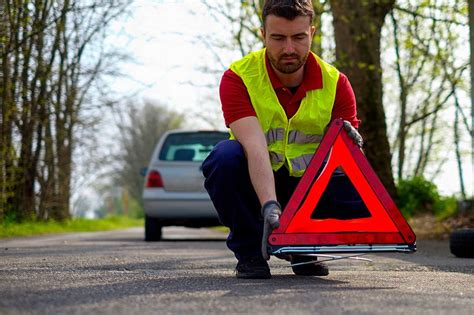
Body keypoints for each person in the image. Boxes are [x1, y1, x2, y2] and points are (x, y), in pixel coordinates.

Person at [201, 0, 364, 279]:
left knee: (359, 197)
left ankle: (302, 247)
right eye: (278, 38)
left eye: (299, 37)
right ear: (263, 34)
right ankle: (251, 252)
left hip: (307, 188)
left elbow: (339, 165)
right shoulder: (238, 77)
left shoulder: (337, 84)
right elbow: (254, 147)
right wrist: (270, 208)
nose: (289, 49)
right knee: (224, 158)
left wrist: (351, 147)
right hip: (259, 185)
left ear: (312, 33)